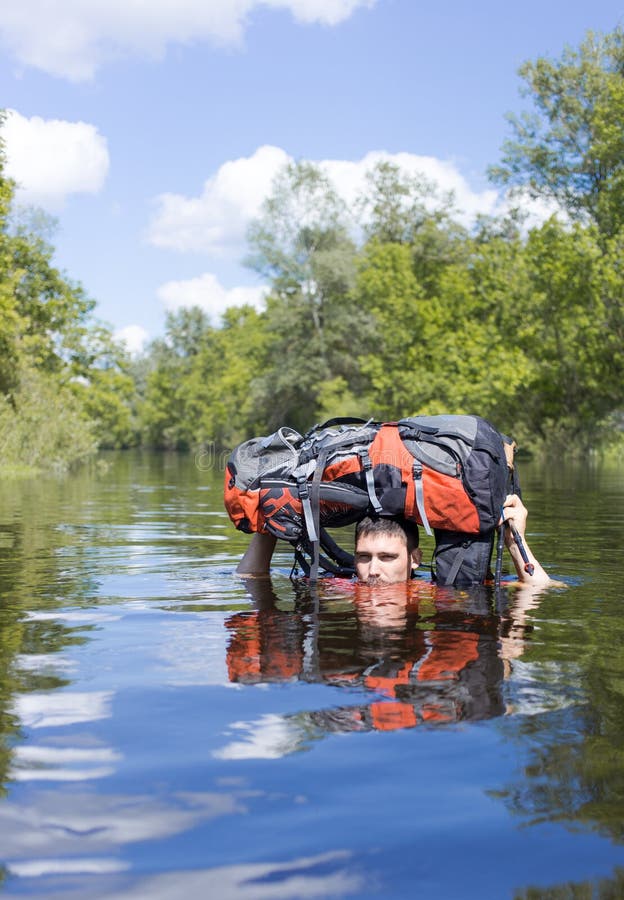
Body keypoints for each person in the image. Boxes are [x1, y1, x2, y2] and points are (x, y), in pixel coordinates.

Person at [236, 493, 555, 588]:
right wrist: (267, 524)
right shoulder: (342, 588)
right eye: (363, 557)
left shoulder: (436, 593)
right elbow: (252, 580)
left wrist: (515, 542)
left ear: (414, 559)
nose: (373, 570)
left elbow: (542, 591)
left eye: (387, 557)